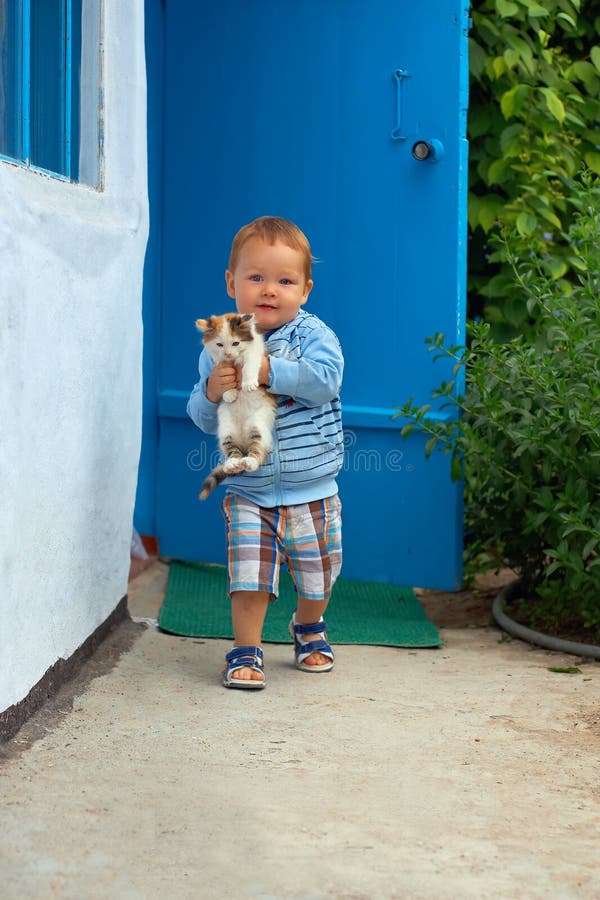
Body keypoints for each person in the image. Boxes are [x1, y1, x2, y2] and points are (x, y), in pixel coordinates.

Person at [187, 216, 344, 689]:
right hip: (250, 490)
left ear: (305, 290)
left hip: (311, 487)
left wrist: (269, 370)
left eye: (285, 281)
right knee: (249, 577)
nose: (269, 290)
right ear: (231, 283)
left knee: (318, 576)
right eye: (256, 278)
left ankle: (308, 625)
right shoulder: (220, 343)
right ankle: (246, 648)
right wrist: (212, 392)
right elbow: (200, 414)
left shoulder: (313, 336)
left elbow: (326, 381)